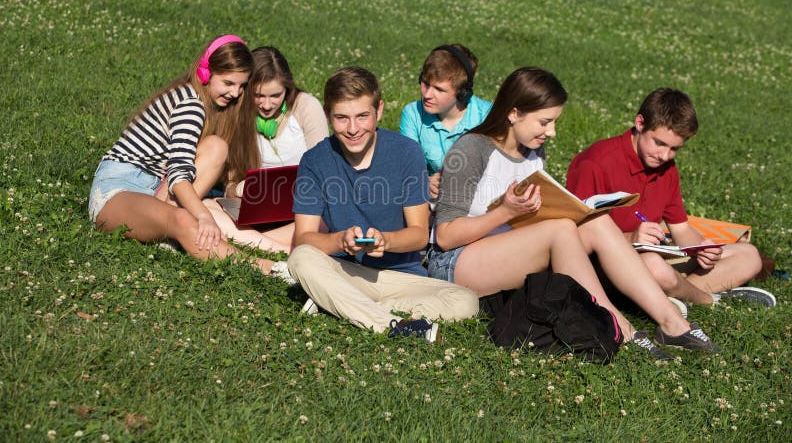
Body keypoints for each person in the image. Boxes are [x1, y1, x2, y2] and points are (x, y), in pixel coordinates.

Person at [428, 67, 721, 359]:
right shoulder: (471, 149)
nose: (552, 132)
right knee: (560, 230)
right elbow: (444, 237)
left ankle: (672, 323)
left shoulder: (532, 152)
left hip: (506, 253)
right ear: (514, 113)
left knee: (596, 221)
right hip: (455, 263)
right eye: (545, 122)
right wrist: (505, 211)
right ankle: (621, 328)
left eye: (554, 122)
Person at [287, 66, 479, 341]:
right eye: (342, 118)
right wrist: (340, 241)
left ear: (379, 110)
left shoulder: (406, 152)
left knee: (465, 300)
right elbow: (305, 238)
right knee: (300, 258)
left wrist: (385, 241)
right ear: (329, 117)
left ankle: (337, 305)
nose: (353, 129)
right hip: (343, 270)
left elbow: (418, 235)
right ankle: (393, 327)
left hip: (399, 277)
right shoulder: (315, 160)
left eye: (362, 116)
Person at [566, 88, 774, 309]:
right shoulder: (596, 163)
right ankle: (709, 300)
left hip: (655, 258)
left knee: (749, 255)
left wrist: (702, 249)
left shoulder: (666, 168)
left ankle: (676, 295)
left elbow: (681, 230)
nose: (665, 156)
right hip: (607, 266)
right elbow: (575, 240)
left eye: (674, 149)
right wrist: (630, 238)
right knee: (654, 266)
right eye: (659, 143)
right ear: (639, 123)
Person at [88, 35, 276, 272]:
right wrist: (203, 215)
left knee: (216, 146)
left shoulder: (200, 102)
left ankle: (172, 230)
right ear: (206, 74)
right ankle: (271, 270)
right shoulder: (190, 105)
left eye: (241, 86)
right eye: (228, 83)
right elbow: (178, 176)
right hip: (118, 190)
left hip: (155, 188)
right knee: (186, 219)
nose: (236, 93)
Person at [204, 46, 329, 253]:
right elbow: (229, 183)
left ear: (287, 89)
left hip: (305, 209)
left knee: (328, 216)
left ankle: (253, 242)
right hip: (257, 211)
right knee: (208, 205)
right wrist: (238, 189)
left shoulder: (306, 106)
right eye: (259, 96)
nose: (267, 105)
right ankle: (278, 246)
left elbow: (325, 169)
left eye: (276, 95)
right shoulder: (238, 116)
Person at [399, 44, 492, 200]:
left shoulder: (487, 115)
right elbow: (406, 169)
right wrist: (424, 183)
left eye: (439, 89)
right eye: (425, 83)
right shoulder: (412, 114)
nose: (427, 95)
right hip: (433, 202)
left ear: (463, 93)